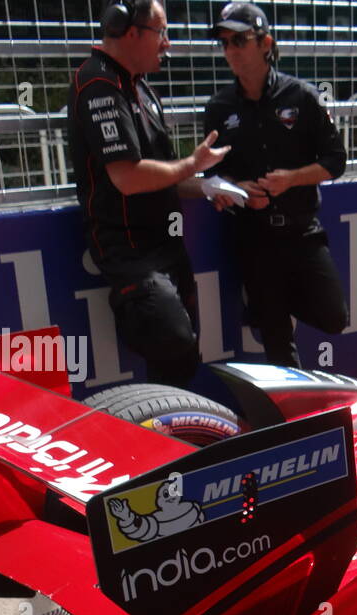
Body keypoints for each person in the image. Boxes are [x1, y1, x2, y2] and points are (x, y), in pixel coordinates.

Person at [67, 1, 230, 386]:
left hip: (167, 244)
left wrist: (207, 187)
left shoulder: (140, 87)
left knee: (184, 355)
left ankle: (173, 435)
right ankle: (153, 435)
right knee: (172, 342)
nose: (168, 44)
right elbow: (127, 177)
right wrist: (193, 164)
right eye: (162, 32)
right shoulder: (98, 83)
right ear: (131, 30)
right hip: (128, 252)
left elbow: (163, 174)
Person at [203, 2, 349, 369]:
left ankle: (267, 306)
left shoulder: (303, 96)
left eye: (240, 40)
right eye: (224, 42)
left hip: (302, 234)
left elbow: (336, 162)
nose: (231, 50)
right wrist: (237, 190)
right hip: (254, 239)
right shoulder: (218, 107)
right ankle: (294, 421)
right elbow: (210, 176)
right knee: (278, 346)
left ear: (265, 43)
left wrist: (291, 179)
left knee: (335, 317)